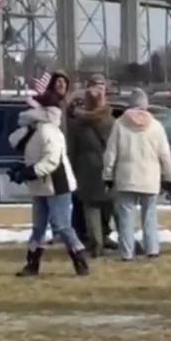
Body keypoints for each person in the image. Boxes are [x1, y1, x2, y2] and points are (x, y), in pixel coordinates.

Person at [7, 87, 90, 277]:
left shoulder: (48, 131)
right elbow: (16, 143)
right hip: (40, 185)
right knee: (38, 227)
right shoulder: (35, 129)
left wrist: (28, 172)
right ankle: (32, 264)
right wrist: (21, 169)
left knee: (62, 226)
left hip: (57, 184)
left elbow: (51, 161)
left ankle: (80, 259)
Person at [102, 88, 171, 261]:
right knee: (149, 215)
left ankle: (127, 253)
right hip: (150, 179)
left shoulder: (120, 124)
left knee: (126, 217)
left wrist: (107, 175)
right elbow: (165, 154)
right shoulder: (156, 126)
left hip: (126, 177)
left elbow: (110, 153)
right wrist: (169, 175)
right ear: (146, 105)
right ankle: (152, 250)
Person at [65, 76, 116, 257]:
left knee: (91, 207)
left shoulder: (77, 123)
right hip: (108, 167)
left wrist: (72, 170)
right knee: (107, 204)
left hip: (86, 168)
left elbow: (72, 149)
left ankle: (96, 244)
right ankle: (106, 235)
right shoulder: (111, 122)